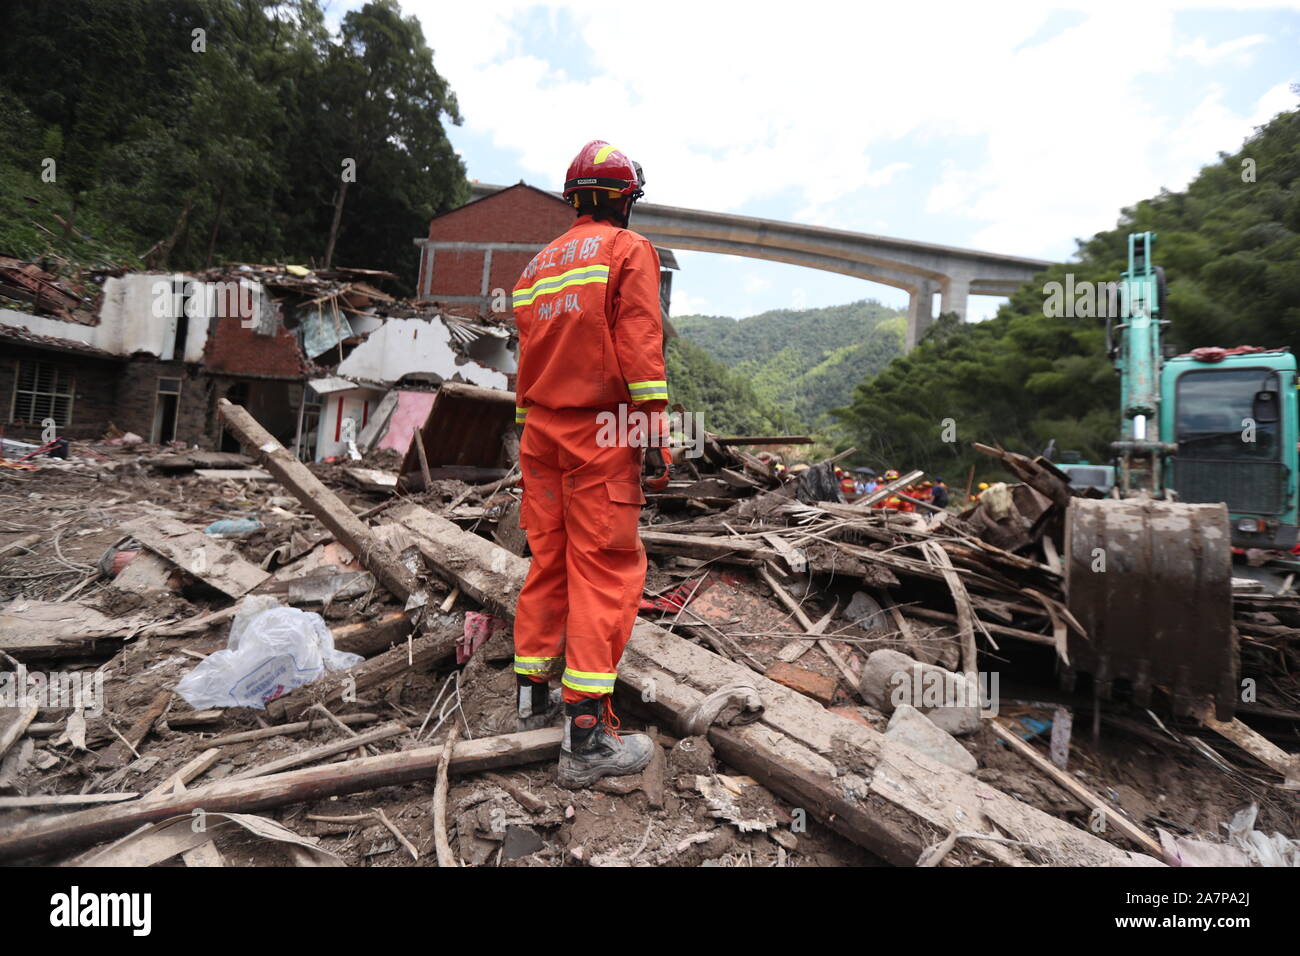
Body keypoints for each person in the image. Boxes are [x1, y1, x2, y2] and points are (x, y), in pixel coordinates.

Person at [510, 140, 667, 788]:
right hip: (600, 430)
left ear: (576, 198)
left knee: (550, 562)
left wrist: (525, 423)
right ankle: (586, 738)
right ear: (623, 199)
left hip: (539, 430)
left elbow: (526, 353)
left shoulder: (538, 266)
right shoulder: (629, 252)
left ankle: (532, 698)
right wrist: (653, 428)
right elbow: (638, 341)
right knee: (604, 570)